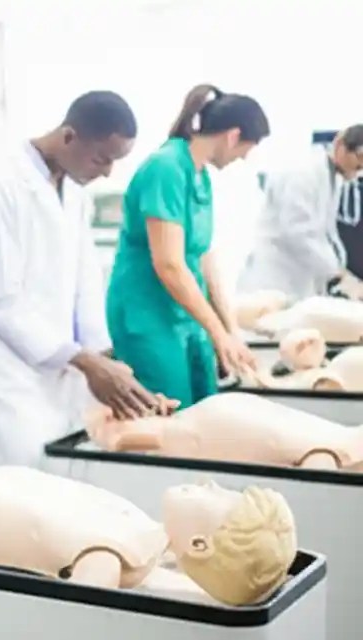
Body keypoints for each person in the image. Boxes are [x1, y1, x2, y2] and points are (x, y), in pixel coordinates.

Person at [0, 91, 162, 470]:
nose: (107, 173)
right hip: (6, 372)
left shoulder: (75, 194)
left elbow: (84, 284)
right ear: (69, 136)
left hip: (62, 370)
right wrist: (85, 361)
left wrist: (106, 361)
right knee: (13, 489)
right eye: (103, 158)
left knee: (60, 482)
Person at [105, 85, 268, 408]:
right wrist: (218, 333)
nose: (244, 157)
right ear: (233, 136)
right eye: (247, 147)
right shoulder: (166, 168)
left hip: (184, 316)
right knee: (170, 416)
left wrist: (230, 329)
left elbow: (205, 258)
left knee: (206, 407)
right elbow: (170, 265)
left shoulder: (198, 175)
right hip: (148, 316)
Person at [242, 124, 363, 299]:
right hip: (275, 275)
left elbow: (326, 232)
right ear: (340, 145)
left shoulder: (332, 177)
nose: (359, 169)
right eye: (359, 160)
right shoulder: (302, 172)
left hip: (301, 279)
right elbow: (298, 232)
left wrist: (342, 270)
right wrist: (338, 273)